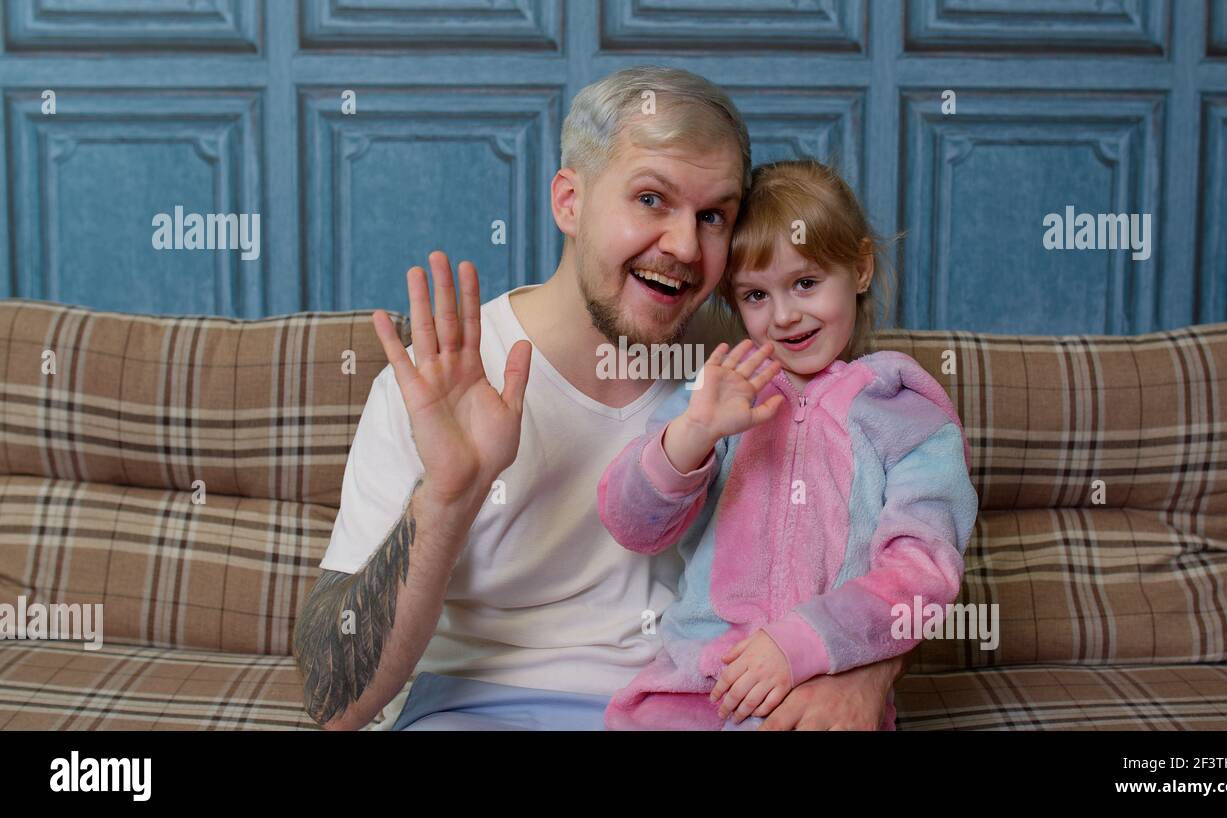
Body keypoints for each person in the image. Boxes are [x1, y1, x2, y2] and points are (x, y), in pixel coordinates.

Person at [292, 67, 912, 731]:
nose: (682, 245)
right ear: (569, 201)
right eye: (651, 199)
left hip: (682, 705)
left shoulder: (754, 368)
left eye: (712, 216)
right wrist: (448, 495)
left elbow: (873, 541)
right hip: (470, 708)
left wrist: (867, 673)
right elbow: (334, 705)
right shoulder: (440, 383)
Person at [599, 160, 980, 730]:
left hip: (823, 689)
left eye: (805, 283)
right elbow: (632, 525)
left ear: (860, 267)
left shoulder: (907, 417)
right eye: (755, 294)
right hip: (697, 685)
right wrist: (692, 438)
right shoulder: (717, 397)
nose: (784, 316)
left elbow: (923, 572)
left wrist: (804, 643)